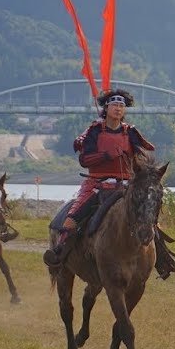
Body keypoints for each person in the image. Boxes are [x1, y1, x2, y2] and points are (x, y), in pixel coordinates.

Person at [43, 88, 157, 267]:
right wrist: (106, 155)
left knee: (147, 216)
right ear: (106, 107)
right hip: (96, 184)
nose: (118, 109)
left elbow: (143, 155)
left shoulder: (131, 133)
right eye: (115, 105)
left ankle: (163, 258)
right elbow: (84, 159)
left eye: (122, 106)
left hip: (125, 185)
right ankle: (59, 251)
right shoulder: (94, 131)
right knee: (72, 220)